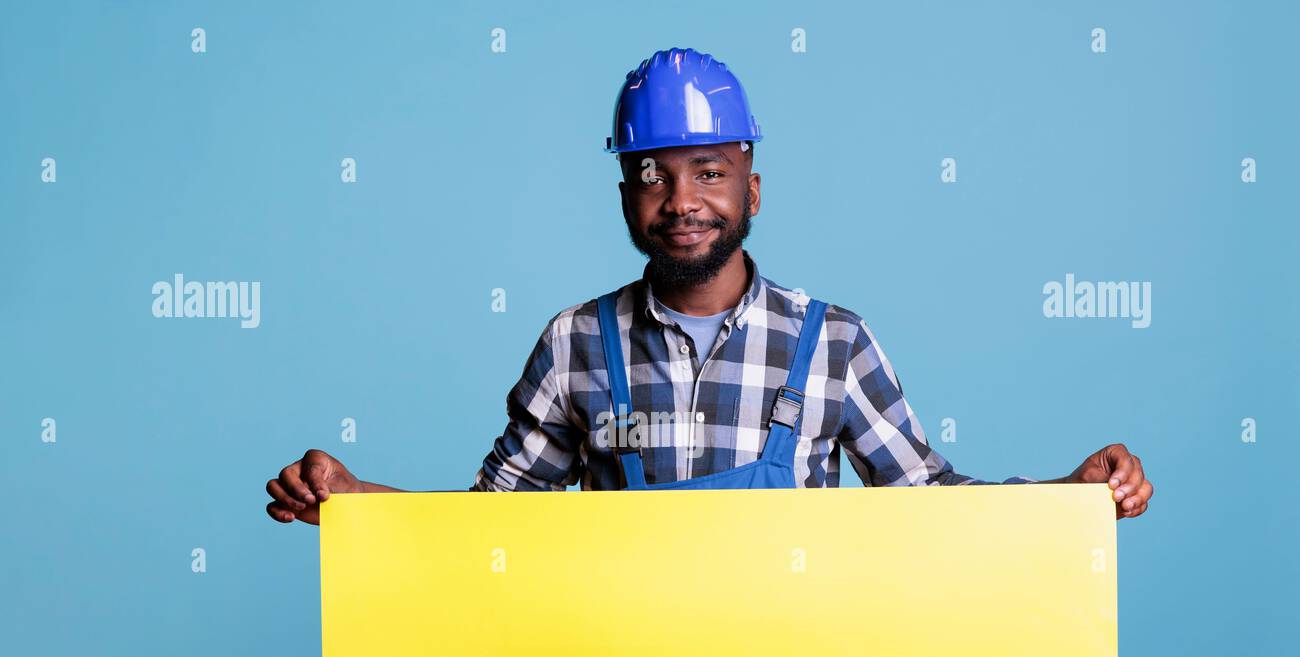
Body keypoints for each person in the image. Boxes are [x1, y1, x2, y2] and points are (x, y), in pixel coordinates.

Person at [266, 47, 1153, 524]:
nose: (681, 200)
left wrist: (1068, 497)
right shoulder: (576, 343)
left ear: (751, 188)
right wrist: (355, 502)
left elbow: (930, 505)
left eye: (708, 172)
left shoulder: (832, 342)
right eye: (653, 176)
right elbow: (492, 531)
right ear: (625, 194)